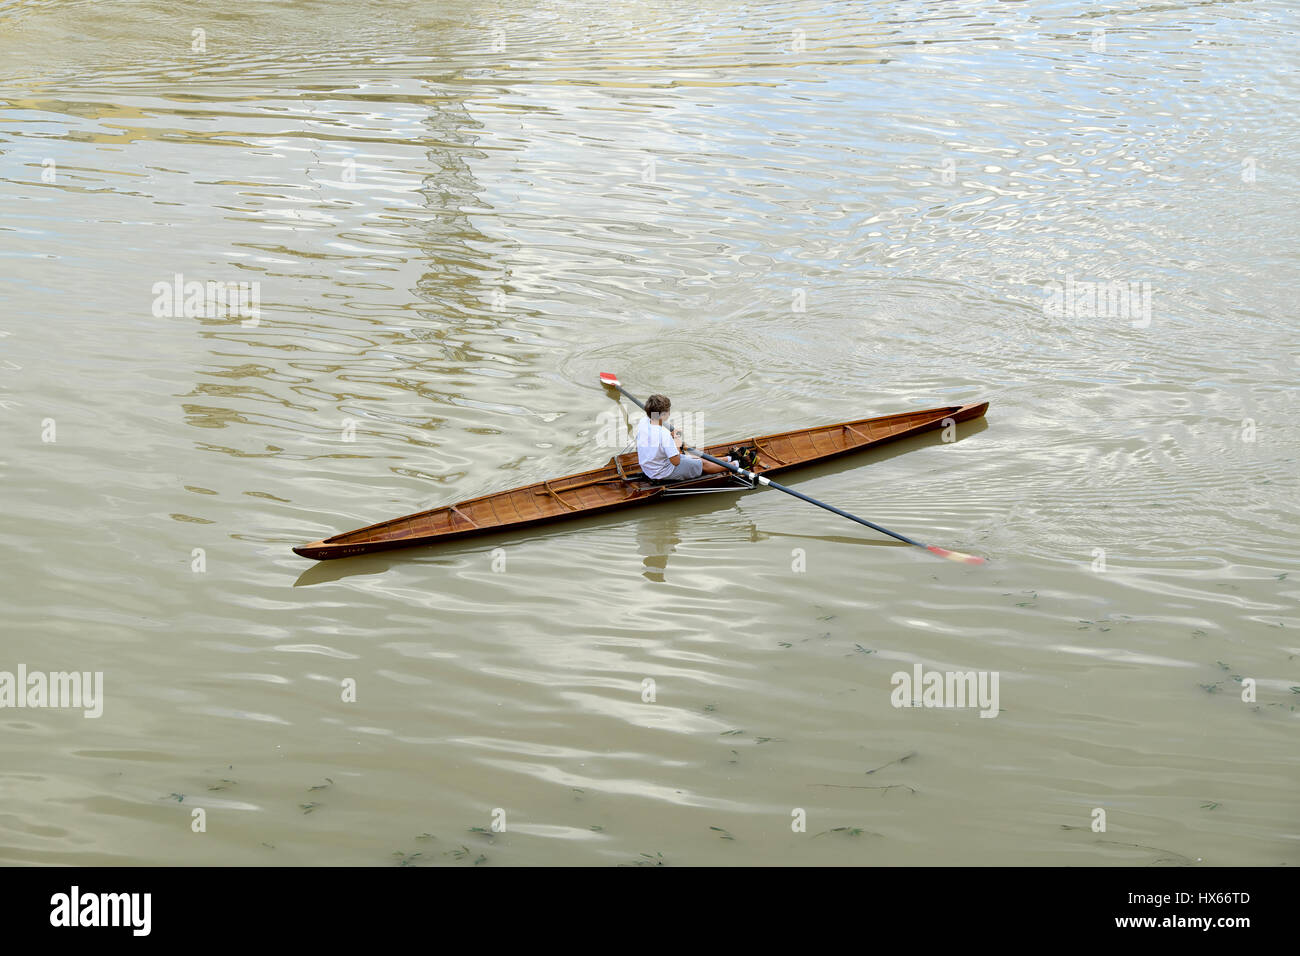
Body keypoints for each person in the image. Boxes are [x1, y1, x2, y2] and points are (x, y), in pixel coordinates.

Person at [634, 394, 734, 481]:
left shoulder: (644, 421)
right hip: (663, 473)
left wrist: (671, 438)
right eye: (668, 411)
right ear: (664, 415)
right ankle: (735, 465)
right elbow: (676, 462)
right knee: (702, 464)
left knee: (695, 458)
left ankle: (727, 459)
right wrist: (676, 440)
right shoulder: (663, 434)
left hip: (648, 468)